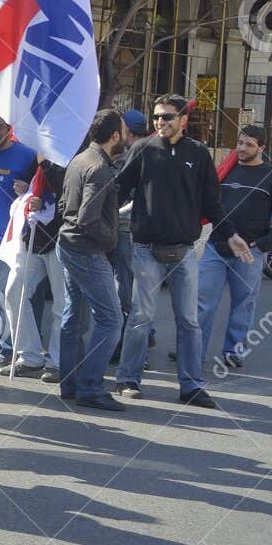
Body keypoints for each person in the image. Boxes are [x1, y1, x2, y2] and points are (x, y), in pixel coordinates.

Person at [113, 94, 251, 407]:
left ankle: (191, 387)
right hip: (146, 248)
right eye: (157, 117)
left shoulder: (199, 154)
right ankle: (127, 380)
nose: (160, 122)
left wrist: (230, 235)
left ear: (183, 120)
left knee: (189, 321)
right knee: (140, 317)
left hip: (185, 251)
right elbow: (119, 190)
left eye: (167, 117)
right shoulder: (142, 149)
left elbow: (211, 203)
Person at [197, 125, 272, 369]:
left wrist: (268, 242)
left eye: (249, 144)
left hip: (251, 251)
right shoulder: (226, 171)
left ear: (261, 148)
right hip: (216, 247)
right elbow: (208, 201)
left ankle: (234, 351)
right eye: (239, 143)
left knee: (243, 303)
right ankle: (194, 348)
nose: (242, 148)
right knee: (202, 301)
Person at [58, 111, 127, 411]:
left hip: (69, 244)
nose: (125, 136)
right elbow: (87, 218)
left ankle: (71, 383)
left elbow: (64, 204)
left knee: (75, 317)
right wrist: (110, 237)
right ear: (114, 136)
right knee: (112, 319)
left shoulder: (79, 159)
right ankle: (90, 386)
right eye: (123, 131)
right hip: (86, 249)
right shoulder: (99, 167)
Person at [2, 158, 67, 382]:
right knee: (14, 292)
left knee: (61, 304)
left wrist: (47, 167)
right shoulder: (37, 156)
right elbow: (30, 187)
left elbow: (66, 190)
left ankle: (59, 361)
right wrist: (24, 190)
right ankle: (29, 355)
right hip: (34, 236)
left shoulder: (74, 150)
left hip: (60, 240)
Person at [0, 114, 37, 371]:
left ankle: (6, 351)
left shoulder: (26, 155)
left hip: (8, 239)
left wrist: (28, 190)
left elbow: (41, 191)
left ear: (9, 129)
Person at [111, 109, 151, 360]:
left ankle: (131, 348)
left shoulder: (137, 156)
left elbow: (135, 199)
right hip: (119, 229)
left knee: (124, 291)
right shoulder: (126, 155)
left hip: (126, 230)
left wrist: (110, 211)